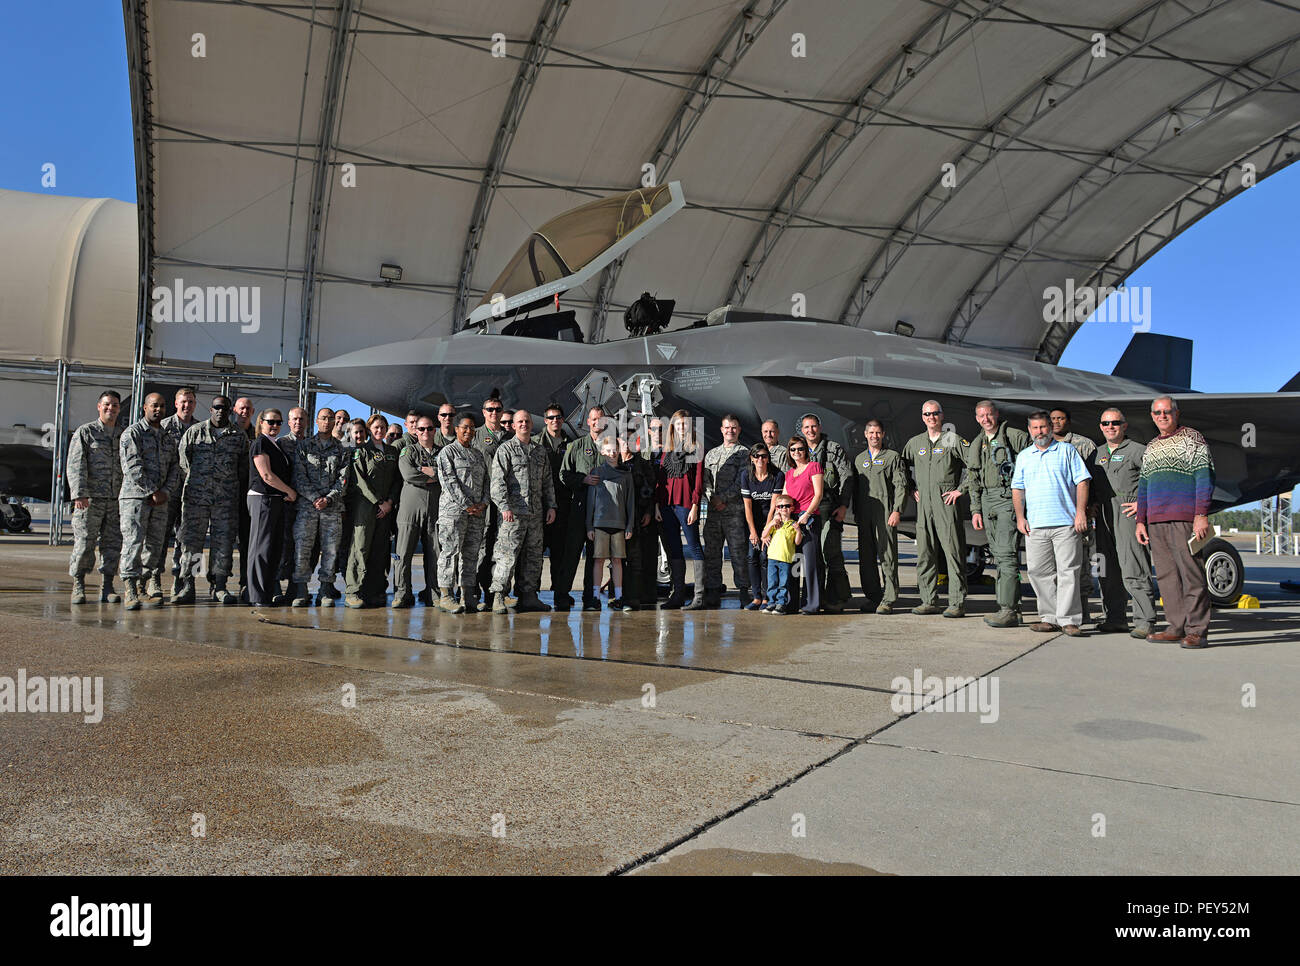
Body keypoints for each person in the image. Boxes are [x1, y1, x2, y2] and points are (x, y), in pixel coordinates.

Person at [1136, 396, 1215, 649]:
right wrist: (1141, 521)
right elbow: (1144, 486)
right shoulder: (1150, 447)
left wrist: (1201, 514)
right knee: (1168, 577)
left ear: (1176, 413)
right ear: (1152, 416)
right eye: (1157, 413)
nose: (1162, 416)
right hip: (1156, 521)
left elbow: (1205, 477)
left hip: (1184, 518)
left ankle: (1197, 631)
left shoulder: (1193, 439)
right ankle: (1175, 626)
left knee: (1191, 575)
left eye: (1167, 411)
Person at [1012, 411, 1091, 636]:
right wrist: (1020, 517)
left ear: (1050, 428)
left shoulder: (1067, 451)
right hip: (1036, 525)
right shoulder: (1024, 456)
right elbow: (1018, 489)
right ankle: (1049, 618)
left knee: (1068, 572)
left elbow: (1082, 482)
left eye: (1044, 427)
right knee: (1038, 572)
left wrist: (1080, 513)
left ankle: (1069, 620)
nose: (1040, 432)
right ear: (1030, 430)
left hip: (1066, 523)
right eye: (1035, 428)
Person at [1089, 407, 1157, 638]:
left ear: (1124, 425)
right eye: (1106, 423)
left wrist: (1142, 505)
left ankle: (1144, 620)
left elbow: (1157, 479)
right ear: (1101, 427)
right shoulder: (1096, 454)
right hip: (1103, 517)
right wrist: (1090, 504)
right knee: (1107, 569)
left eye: (1115, 423)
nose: (1110, 427)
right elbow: (1087, 484)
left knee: (1134, 567)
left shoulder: (1139, 450)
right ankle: (1115, 619)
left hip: (1128, 514)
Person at [175, 396, 248, 604]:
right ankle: (190, 584)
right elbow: (183, 462)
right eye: (216, 407)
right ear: (210, 409)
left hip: (225, 500)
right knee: (192, 543)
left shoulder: (239, 436)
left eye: (224, 408)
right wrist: (197, 483)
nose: (220, 411)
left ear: (230, 410)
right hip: (196, 499)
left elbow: (243, 468)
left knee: (223, 543)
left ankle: (220, 584)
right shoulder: (195, 432)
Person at [967, 400, 1031, 627]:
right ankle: (1014, 607)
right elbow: (973, 480)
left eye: (989, 414)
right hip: (987, 501)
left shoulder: (1015, 437)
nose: (986, 419)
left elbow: (1031, 465)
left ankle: (1008, 609)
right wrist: (976, 510)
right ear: (977, 418)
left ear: (997, 415)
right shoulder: (978, 443)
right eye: (981, 416)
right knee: (998, 552)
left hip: (1008, 499)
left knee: (1006, 554)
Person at [902, 400, 968, 618]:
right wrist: (911, 488)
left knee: (953, 552)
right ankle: (929, 600)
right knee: (925, 553)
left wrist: (961, 489)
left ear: (941, 415)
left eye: (935, 413)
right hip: (924, 505)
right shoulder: (915, 443)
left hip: (946, 503)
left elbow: (973, 464)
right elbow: (902, 467)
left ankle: (956, 603)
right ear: (922, 417)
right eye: (927, 414)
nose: (931, 417)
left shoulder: (952, 439)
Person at [487, 409, 556, 613]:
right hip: (513, 515)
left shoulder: (539, 451)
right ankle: (499, 595)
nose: (524, 424)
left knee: (534, 556)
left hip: (535, 514)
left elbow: (547, 482)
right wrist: (504, 506)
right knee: (506, 556)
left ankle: (529, 595)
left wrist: (551, 506)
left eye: (527, 421)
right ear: (514, 426)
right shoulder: (505, 449)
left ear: (531, 425)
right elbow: (497, 483)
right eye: (520, 422)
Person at [118, 393, 178, 610]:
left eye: (162, 406)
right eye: (154, 406)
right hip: (135, 498)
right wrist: (152, 491)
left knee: (155, 545)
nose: (158, 410)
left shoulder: (167, 437)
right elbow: (132, 466)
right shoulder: (132, 434)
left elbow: (175, 468)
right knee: (133, 542)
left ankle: (144, 583)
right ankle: (130, 588)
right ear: (145, 407)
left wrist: (165, 492)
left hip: (161, 500)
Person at [67, 390, 124, 604]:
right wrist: (80, 494)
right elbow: (76, 465)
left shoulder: (123, 434)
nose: (111, 408)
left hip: (116, 500)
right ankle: (78, 584)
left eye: (115, 405)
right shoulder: (86, 432)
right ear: (99, 406)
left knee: (112, 545)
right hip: (89, 501)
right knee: (84, 543)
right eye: (107, 404)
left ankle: (107, 586)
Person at [291, 408, 348, 607]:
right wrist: (316, 498)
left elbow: (343, 479)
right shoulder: (304, 446)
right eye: (323, 418)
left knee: (331, 550)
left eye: (330, 419)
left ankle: (325, 589)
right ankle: (301, 589)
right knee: (302, 549)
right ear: (316, 421)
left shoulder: (341, 449)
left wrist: (329, 499)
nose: (327, 421)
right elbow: (299, 476)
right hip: (308, 507)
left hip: (332, 508)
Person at [344, 414, 401, 607]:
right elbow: (360, 481)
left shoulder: (392, 451)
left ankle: (375, 590)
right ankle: (353, 591)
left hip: (386, 508)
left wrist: (389, 503)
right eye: (376, 427)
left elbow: (397, 480)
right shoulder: (361, 452)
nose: (379, 431)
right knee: (360, 547)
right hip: (366, 506)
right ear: (369, 430)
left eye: (382, 427)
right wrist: (378, 502)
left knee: (380, 549)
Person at [435, 414, 489, 613]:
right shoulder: (447, 453)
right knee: (450, 552)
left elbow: (486, 482)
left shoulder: (477, 454)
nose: (469, 431)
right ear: (456, 429)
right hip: (454, 513)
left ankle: (467, 596)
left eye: (472, 428)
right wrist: (467, 505)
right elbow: (449, 482)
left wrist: (483, 503)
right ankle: (446, 596)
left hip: (476, 514)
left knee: (471, 554)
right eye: (464, 427)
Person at [800, 414, 854, 612]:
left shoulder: (833, 449)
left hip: (830, 507)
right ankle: (817, 598)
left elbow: (847, 476)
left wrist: (843, 506)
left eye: (813, 426)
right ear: (802, 430)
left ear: (820, 427)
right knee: (813, 556)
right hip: (807, 510)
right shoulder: (800, 450)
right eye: (807, 427)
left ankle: (837, 597)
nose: (810, 431)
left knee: (831, 552)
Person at [853, 419, 907, 614]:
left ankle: (889, 598)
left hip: (885, 513)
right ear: (865, 435)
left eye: (878, 433)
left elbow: (901, 485)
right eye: (871, 433)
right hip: (864, 514)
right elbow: (856, 490)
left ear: (883, 434)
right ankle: (873, 597)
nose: (874, 436)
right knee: (866, 558)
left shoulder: (892, 457)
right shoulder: (859, 459)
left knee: (887, 555)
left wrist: (897, 510)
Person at [559, 406, 610, 611]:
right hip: (580, 508)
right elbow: (564, 474)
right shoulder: (576, 446)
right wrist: (583, 480)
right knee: (571, 554)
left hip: (603, 511)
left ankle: (590, 598)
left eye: (600, 419)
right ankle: (562, 595)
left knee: (595, 558)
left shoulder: (611, 447)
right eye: (593, 419)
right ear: (588, 422)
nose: (597, 422)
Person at [1052, 406, 1098, 625]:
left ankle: (1083, 611)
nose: (1056, 422)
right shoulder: (1041, 445)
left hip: (1077, 514)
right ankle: (1056, 613)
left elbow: (1093, 479)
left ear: (1068, 422)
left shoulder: (1084, 445)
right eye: (1052, 419)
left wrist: (1090, 506)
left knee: (1079, 564)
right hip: (1053, 515)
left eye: (1060, 419)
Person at [655, 409, 705, 609]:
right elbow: (661, 479)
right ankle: (677, 595)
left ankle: (699, 596)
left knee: (694, 546)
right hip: (667, 505)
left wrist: (695, 506)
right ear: (673, 427)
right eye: (678, 424)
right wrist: (657, 505)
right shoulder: (668, 450)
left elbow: (698, 481)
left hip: (686, 505)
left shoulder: (695, 448)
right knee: (673, 548)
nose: (681, 428)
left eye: (685, 424)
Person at [246, 410, 297, 606]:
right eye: (271, 422)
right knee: (260, 548)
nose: (275, 425)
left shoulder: (275, 444)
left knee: (271, 549)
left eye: (278, 422)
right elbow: (266, 475)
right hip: (263, 499)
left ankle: (264, 594)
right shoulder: (261, 442)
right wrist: (289, 491)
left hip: (275, 500)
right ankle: (256, 595)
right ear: (261, 422)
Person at [702, 414, 751, 608]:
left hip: (734, 512)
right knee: (712, 553)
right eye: (727, 427)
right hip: (713, 513)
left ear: (739, 430)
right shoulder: (712, 454)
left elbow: (742, 480)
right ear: (721, 430)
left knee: (738, 553)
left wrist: (723, 498)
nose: (730, 431)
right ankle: (713, 590)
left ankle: (744, 591)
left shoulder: (744, 453)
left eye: (734, 428)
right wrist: (711, 497)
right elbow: (705, 480)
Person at [393, 415, 442, 609]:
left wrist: (431, 472)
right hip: (410, 509)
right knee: (403, 553)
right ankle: (402, 593)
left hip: (435, 508)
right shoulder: (408, 451)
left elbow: (447, 473)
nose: (425, 432)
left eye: (429, 429)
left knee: (435, 553)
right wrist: (432, 475)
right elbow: (408, 474)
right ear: (416, 431)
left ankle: (435, 593)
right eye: (421, 429)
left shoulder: (443, 452)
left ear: (434, 430)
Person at [586, 435, 635, 611]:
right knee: (598, 560)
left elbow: (630, 502)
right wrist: (589, 526)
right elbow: (591, 501)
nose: (612, 453)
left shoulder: (626, 475)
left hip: (619, 525)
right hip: (600, 524)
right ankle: (595, 597)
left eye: (615, 450)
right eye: (608, 450)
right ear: (602, 452)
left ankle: (619, 597)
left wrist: (629, 525)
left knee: (617, 561)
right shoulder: (596, 472)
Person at [778, 436, 824, 614]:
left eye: (800, 449)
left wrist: (807, 514)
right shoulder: (789, 473)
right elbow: (784, 497)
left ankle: (811, 604)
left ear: (806, 450)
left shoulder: (814, 467)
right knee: (795, 562)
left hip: (809, 520)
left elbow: (818, 494)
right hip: (792, 521)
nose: (797, 452)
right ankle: (792, 603)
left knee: (810, 563)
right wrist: (779, 516)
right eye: (793, 450)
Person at [159, 387, 198, 594]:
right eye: (183, 401)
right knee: (159, 538)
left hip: (191, 495)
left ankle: (182, 581)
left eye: (191, 402)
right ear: (176, 403)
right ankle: (153, 580)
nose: (187, 405)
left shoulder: (200, 429)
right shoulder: (163, 427)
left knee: (187, 540)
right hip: (168, 493)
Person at [473, 394, 510, 601]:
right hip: (482, 499)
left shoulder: (508, 437)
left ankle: (496, 592)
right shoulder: (476, 435)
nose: (494, 413)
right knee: (481, 545)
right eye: (490, 409)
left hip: (503, 500)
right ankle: (477, 589)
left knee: (501, 545)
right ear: (483, 412)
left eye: (497, 409)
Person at [741, 443, 784, 610]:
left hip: (771, 521)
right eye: (757, 456)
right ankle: (756, 597)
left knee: (765, 557)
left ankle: (767, 597)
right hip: (753, 521)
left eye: (764, 456)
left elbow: (774, 505)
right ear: (751, 458)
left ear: (768, 458)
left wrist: (767, 530)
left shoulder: (777, 475)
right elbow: (747, 506)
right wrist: (753, 531)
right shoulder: (746, 475)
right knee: (752, 556)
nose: (760, 459)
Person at [539, 403, 574, 605]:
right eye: (551, 417)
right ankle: (530, 594)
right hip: (540, 505)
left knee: (560, 553)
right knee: (535, 553)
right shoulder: (536, 442)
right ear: (545, 420)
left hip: (562, 505)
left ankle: (560, 593)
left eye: (558, 417)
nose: (555, 421)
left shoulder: (571, 443)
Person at [274, 406, 310, 603]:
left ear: (307, 422)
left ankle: (297, 587)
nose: (298, 422)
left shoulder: (311, 444)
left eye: (302, 419)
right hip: (286, 503)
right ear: (289, 422)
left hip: (306, 505)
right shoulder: (281, 444)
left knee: (303, 547)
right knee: (283, 545)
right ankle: (277, 584)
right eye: (294, 419)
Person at [761, 497, 803, 614]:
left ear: (792, 508)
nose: (784, 508)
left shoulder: (793, 524)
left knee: (783, 583)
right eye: (780, 506)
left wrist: (798, 531)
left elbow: (797, 542)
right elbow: (764, 535)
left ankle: (781, 603)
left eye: (787, 506)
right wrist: (771, 525)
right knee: (772, 582)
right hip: (772, 558)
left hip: (786, 558)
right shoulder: (775, 523)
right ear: (776, 509)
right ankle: (771, 603)